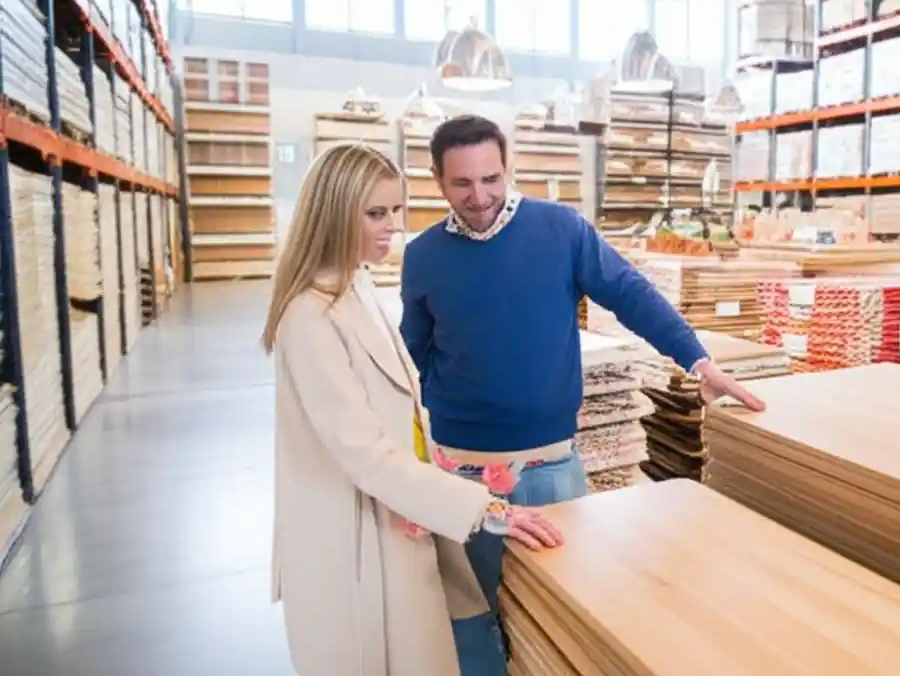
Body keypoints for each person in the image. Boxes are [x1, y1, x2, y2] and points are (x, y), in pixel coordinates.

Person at [399, 115, 765, 673]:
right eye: (462, 184)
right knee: (469, 619)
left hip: (550, 469)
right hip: (460, 475)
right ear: (436, 180)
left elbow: (629, 293)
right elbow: (413, 355)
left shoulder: (560, 231)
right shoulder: (423, 255)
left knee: (559, 614)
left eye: (491, 179)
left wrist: (696, 359)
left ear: (509, 166)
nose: (480, 197)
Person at [262, 143, 563, 676]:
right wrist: (488, 510)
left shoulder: (356, 286)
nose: (394, 227)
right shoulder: (309, 317)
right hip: (354, 542)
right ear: (334, 212)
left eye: (396, 210)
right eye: (376, 213)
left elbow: (399, 410)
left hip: (395, 515)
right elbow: (364, 455)